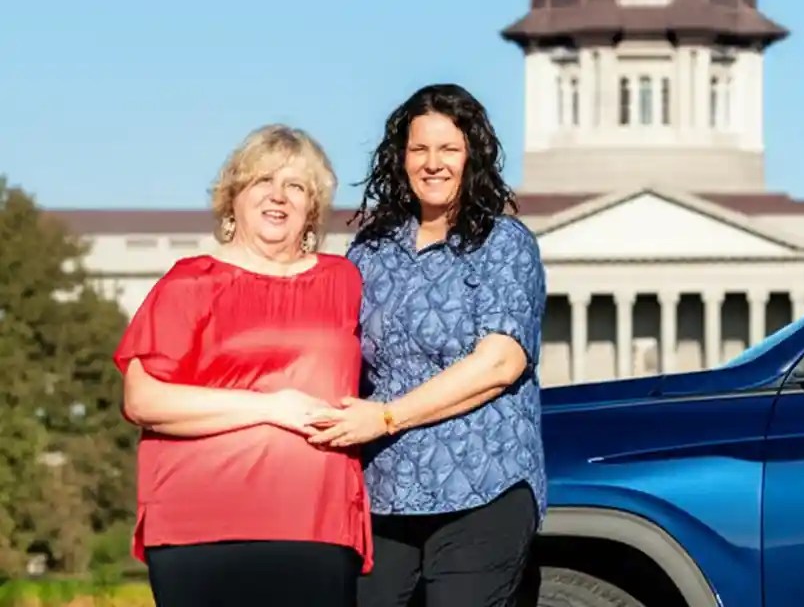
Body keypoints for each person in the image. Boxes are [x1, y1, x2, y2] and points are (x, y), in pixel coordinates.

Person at [306, 83, 547, 607]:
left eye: (449, 149)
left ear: (472, 156)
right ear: (401, 158)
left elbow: (500, 362)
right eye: (420, 149)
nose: (433, 163)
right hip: (383, 491)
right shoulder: (370, 249)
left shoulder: (503, 243)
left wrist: (387, 416)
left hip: (482, 487)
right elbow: (329, 342)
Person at [113, 124, 372, 607]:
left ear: (312, 209)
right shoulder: (191, 282)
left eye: (296, 186)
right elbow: (143, 399)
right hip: (200, 526)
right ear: (234, 197)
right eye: (263, 181)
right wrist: (272, 408)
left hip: (314, 520)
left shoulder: (345, 280)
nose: (279, 196)